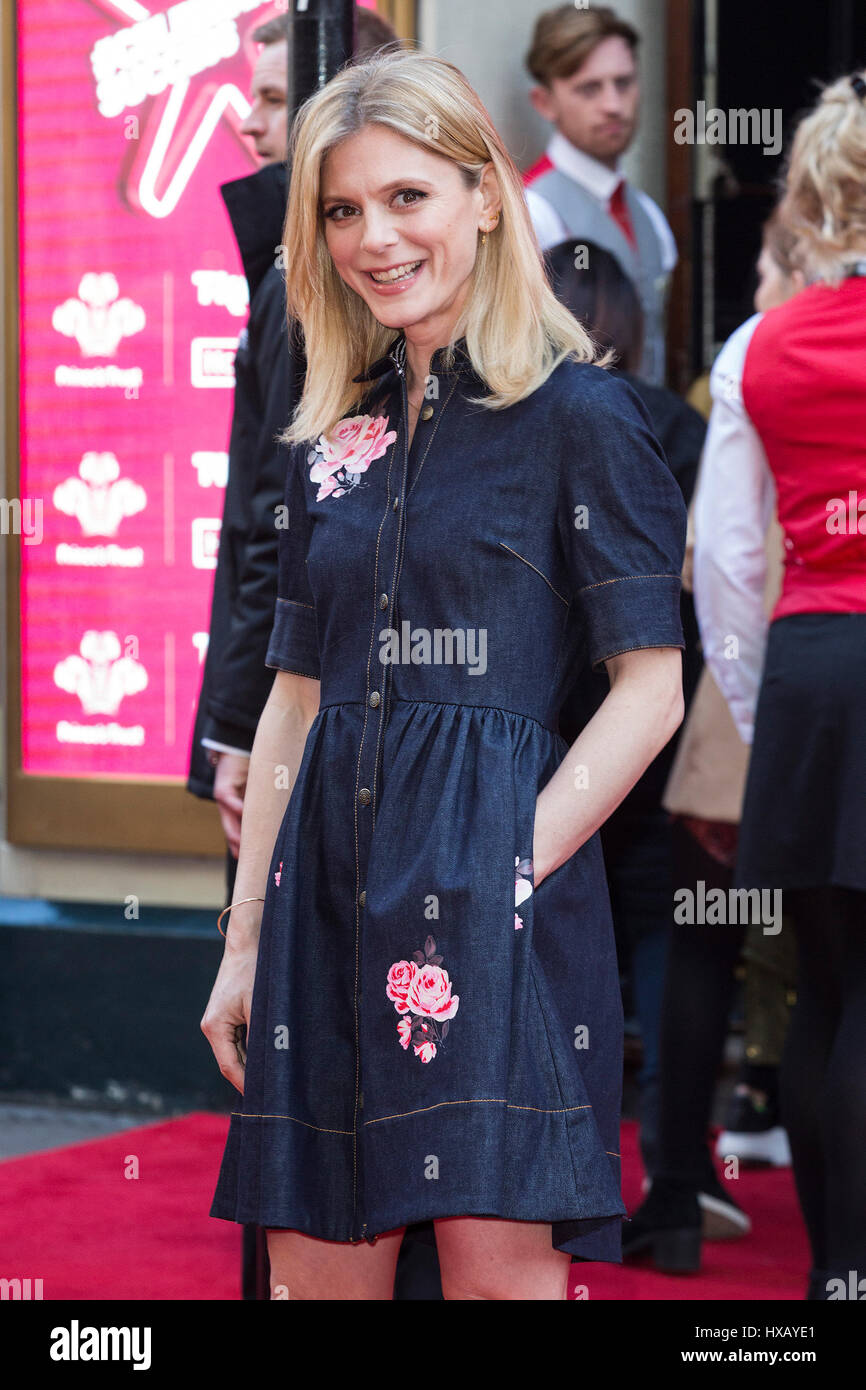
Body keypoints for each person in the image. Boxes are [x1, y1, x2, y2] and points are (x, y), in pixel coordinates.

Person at [201, 46, 686, 1302]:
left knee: (493, 1290)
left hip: (498, 904)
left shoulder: (580, 414)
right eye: (343, 209)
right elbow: (294, 698)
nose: (374, 238)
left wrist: (507, 861)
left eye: (407, 196)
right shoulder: (334, 428)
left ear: (484, 193)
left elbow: (651, 684)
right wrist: (243, 942)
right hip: (323, 904)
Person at [185, 3, 408, 1301]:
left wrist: (241, 721)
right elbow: (262, 520)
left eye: (269, 98)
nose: (245, 121)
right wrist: (237, 727)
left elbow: (269, 531)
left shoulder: (327, 270)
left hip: (378, 738)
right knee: (293, 1084)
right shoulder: (292, 265)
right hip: (297, 709)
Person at [693, 72, 866, 1300]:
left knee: (824, 988)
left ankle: (839, 1274)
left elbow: (724, 560)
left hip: (809, 674)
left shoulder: (757, 345)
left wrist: (763, 717)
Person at [622, 206, 804, 1274]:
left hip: (755, 671)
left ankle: (679, 1198)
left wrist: (732, 699)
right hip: (801, 669)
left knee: (697, 943)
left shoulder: (751, 364)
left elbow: (713, 559)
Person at [544, 239, 705, 1181]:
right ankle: (667, 1178)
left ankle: (564, 1143)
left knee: (573, 925)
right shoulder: (670, 427)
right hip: (648, 700)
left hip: (561, 712)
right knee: (656, 925)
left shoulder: (546, 414)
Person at [522, 5, 677, 385]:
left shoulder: (649, 215)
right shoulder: (532, 211)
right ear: (544, 101)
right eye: (590, 88)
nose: (613, 105)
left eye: (623, 83)